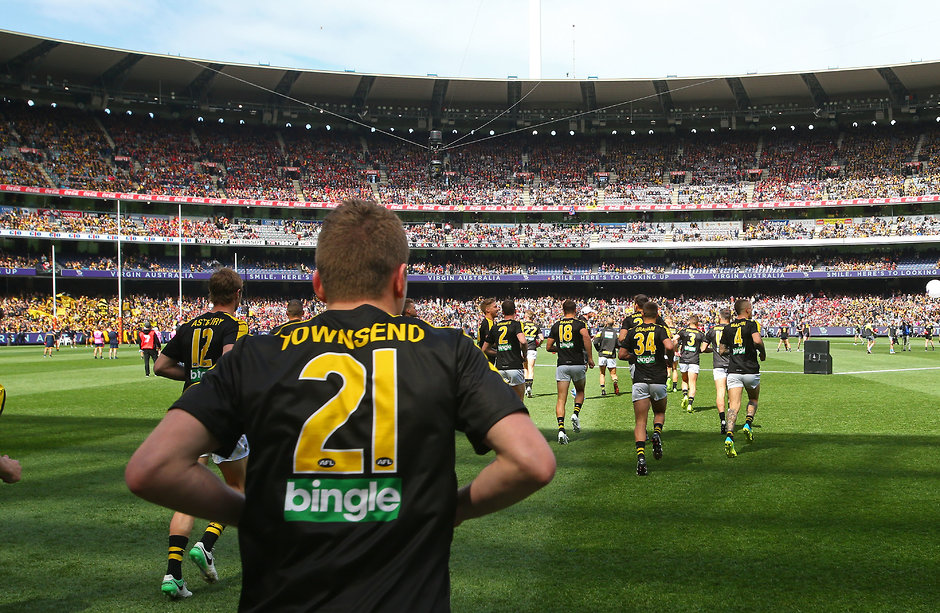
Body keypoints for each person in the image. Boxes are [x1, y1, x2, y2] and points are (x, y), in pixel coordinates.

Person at [126, 199, 554, 612]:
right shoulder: (449, 350)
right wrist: (452, 509)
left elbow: (152, 467)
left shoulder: (256, 354)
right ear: (401, 281)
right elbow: (531, 461)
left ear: (318, 284)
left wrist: (251, 512)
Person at [152, 268, 250, 598]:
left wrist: (194, 375)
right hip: (221, 412)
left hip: (189, 411)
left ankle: (172, 574)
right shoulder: (234, 325)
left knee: (188, 493)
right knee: (238, 486)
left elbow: (160, 366)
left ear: (210, 294)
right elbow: (229, 363)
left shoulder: (189, 326)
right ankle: (206, 545)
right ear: (237, 294)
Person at [618, 301, 674, 476]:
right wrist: (669, 360)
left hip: (640, 380)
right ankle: (656, 433)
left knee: (640, 422)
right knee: (659, 413)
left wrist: (635, 357)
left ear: (642, 314)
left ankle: (641, 459)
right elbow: (670, 346)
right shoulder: (660, 329)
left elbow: (621, 354)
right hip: (658, 378)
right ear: (657, 315)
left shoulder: (633, 331)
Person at [718, 299, 766, 458]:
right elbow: (757, 341)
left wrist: (734, 350)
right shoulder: (751, 324)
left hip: (734, 371)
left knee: (733, 406)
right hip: (750, 369)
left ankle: (729, 436)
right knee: (753, 399)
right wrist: (762, 353)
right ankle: (748, 423)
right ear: (746, 310)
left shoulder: (728, 327)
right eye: (750, 308)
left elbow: (722, 350)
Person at [545, 299, 594, 444]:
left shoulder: (556, 325)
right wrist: (590, 358)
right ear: (576, 310)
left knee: (561, 398)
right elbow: (586, 337)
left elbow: (548, 347)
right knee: (580, 391)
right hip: (578, 363)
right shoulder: (579, 324)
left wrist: (561, 348)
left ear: (563, 310)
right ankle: (575, 414)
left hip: (562, 365)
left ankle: (561, 430)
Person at [481, 299, 528, 400]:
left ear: (502, 312)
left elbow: (484, 349)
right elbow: (523, 341)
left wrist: (499, 353)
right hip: (514, 366)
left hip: (500, 367)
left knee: (504, 401)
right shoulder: (516, 324)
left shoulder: (495, 326)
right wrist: (525, 355)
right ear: (515, 311)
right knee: (519, 401)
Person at [702, 308, 732, 434]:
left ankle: (722, 421)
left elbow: (703, 348)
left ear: (719, 317)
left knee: (720, 392)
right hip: (732, 365)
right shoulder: (733, 329)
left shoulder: (712, 330)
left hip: (718, 365)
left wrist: (713, 350)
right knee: (732, 395)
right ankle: (730, 422)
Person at [675, 315, 706, 413]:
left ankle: (684, 395)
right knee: (692, 383)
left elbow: (674, 340)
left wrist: (675, 350)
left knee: (684, 380)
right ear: (697, 323)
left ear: (689, 322)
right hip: (694, 360)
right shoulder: (701, 334)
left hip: (683, 359)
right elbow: (703, 349)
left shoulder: (683, 331)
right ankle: (690, 404)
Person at [593, 316, 620, 396]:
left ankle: (603, 390)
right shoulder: (616, 333)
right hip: (611, 355)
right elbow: (619, 344)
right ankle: (615, 382)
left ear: (606, 323)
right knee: (613, 374)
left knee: (602, 373)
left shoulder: (601, 332)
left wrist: (599, 349)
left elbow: (595, 342)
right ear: (613, 324)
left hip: (602, 355)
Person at [521, 310, 542, 398]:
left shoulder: (522, 325)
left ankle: (526, 388)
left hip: (523, 349)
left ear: (525, 316)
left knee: (525, 368)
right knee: (531, 368)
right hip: (532, 348)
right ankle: (530, 387)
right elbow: (541, 338)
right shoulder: (536, 326)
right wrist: (538, 345)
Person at [477, 297, 498, 364]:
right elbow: (489, 343)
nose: (498, 309)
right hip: (486, 361)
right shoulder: (488, 323)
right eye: (495, 307)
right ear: (488, 310)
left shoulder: (487, 322)